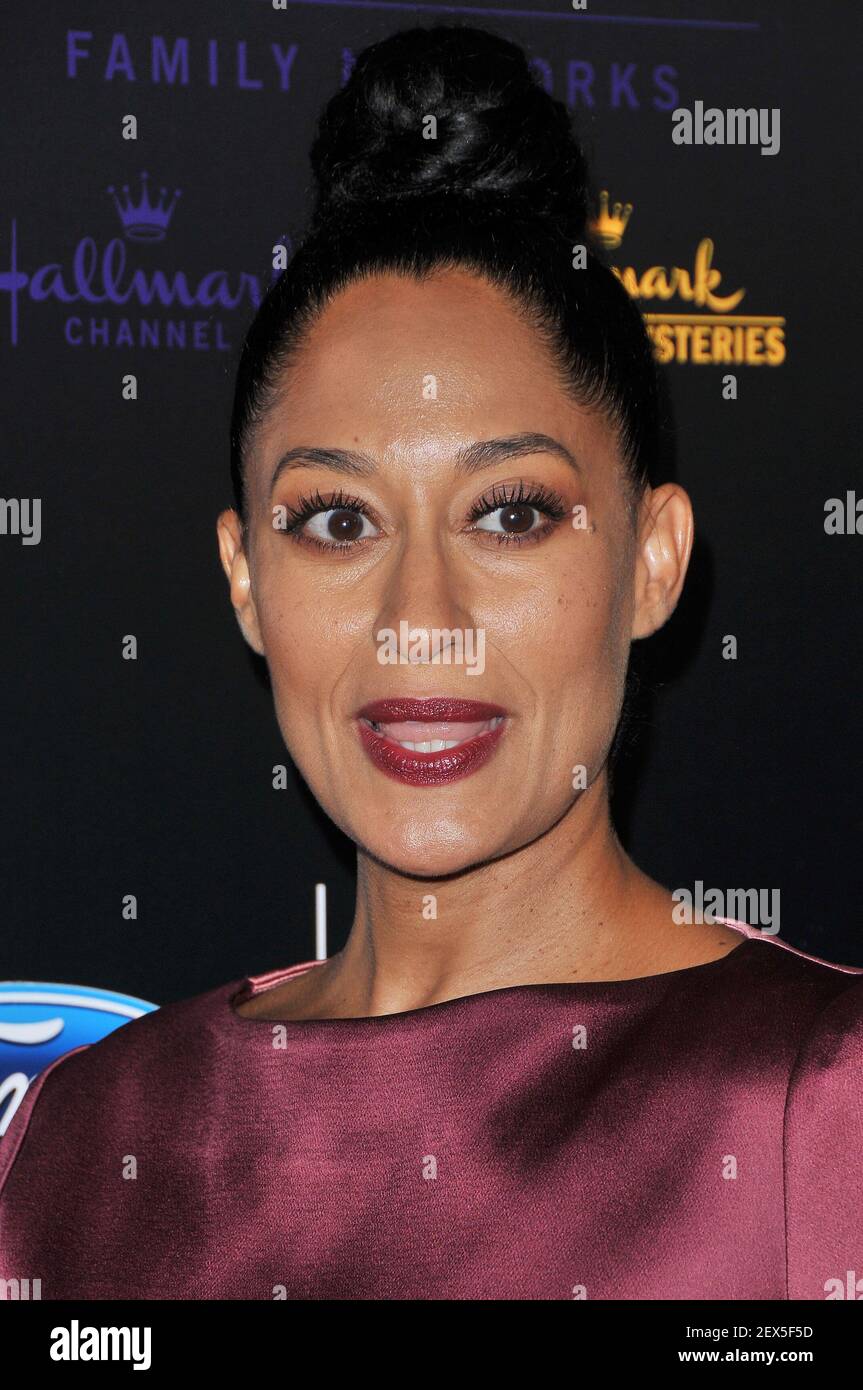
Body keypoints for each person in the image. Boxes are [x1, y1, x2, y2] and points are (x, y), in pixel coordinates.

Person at [1, 23, 860, 1301]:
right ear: (245, 577)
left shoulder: (822, 1104)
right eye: (337, 521)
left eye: (510, 512)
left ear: (653, 562)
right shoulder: (81, 1145)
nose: (421, 617)